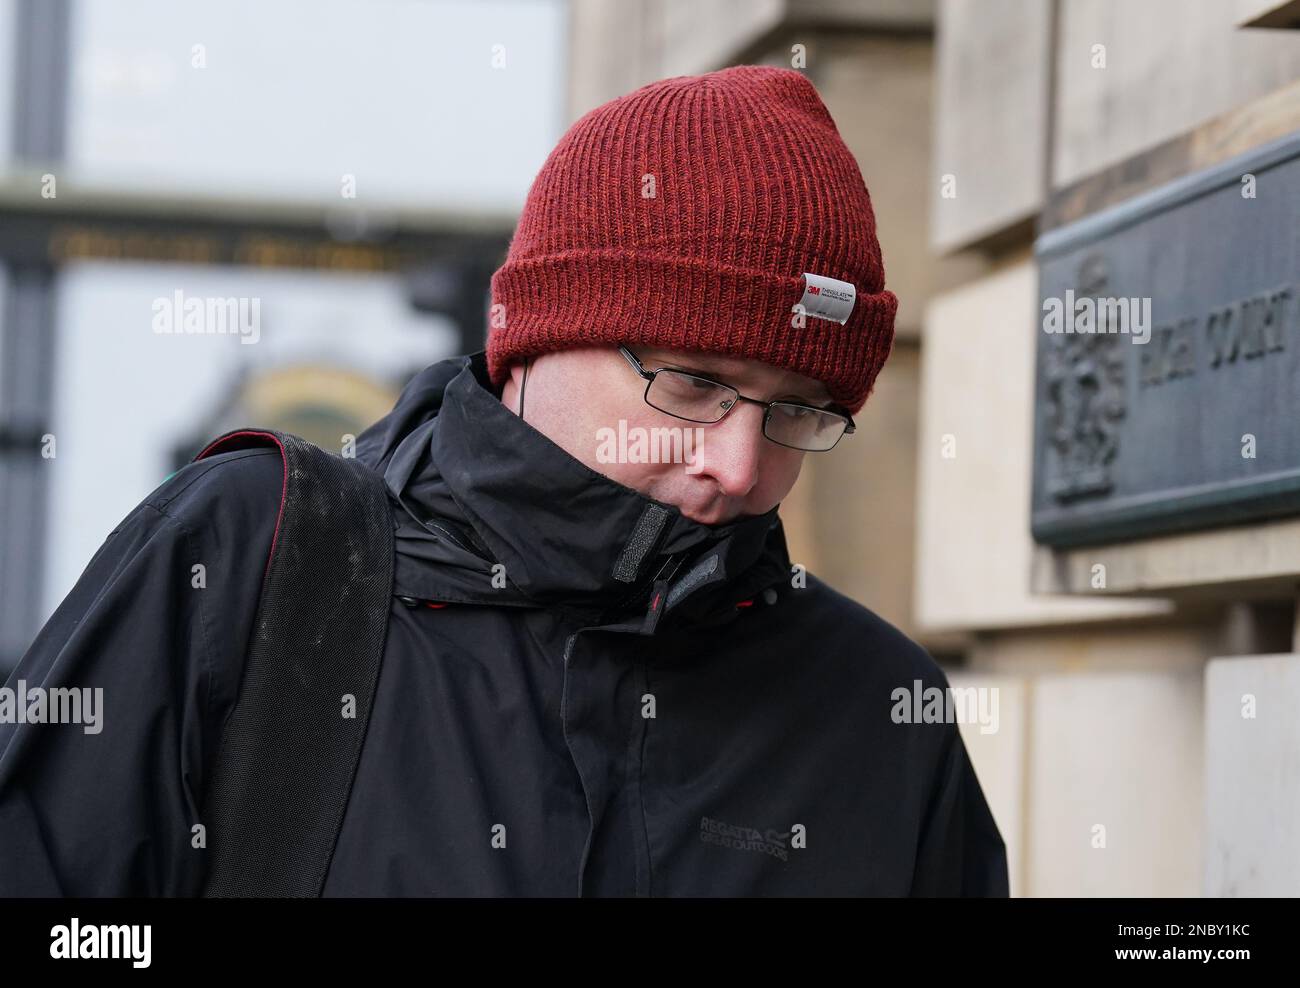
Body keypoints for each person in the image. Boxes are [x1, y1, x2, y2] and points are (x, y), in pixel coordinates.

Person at [0, 64, 1008, 896]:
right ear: (532, 342)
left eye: (798, 410)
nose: (739, 465)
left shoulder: (882, 710)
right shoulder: (247, 564)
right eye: (694, 383)